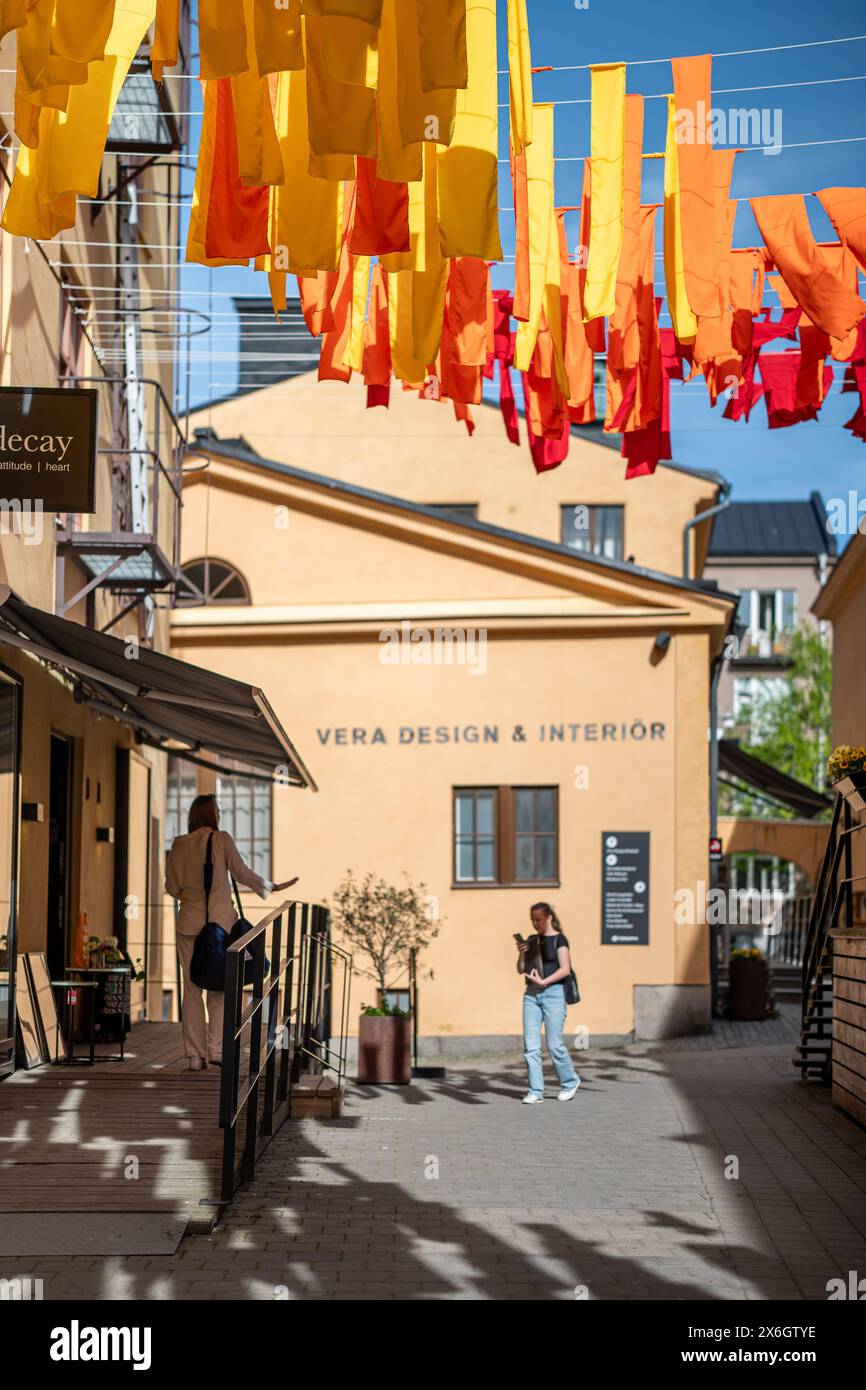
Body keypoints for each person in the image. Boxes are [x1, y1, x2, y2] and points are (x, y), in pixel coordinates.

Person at [165, 793, 298, 1071]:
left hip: (188, 926)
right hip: (220, 927)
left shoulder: (177, 846)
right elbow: (242, 873)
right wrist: (271, 886)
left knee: (192, 990)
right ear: (213, 814)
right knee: (221, 987)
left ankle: (194, 1056)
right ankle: (216, 1050)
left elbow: (171, 888)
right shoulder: (221, 839)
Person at [516, 902, 580, 1104]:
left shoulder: (560, 939)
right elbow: (521, 969)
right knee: (531, 1046)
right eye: (532, 920)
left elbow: (565, 969)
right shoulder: (532, 940)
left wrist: (544, 982)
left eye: (539, 920)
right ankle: (535, 1091)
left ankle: (570, 1082)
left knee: (554, 1045)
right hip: (531, 995)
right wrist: (521, 952)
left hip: (554, 994)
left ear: (549, 917)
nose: (535, 924)